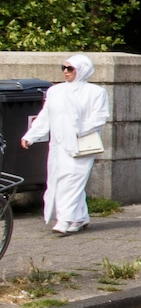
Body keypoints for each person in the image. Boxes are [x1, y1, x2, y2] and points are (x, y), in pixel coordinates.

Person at [20, 56, 110, 237]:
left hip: (81, 145)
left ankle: (65, 219)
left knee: (72, 180)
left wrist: (77, 130)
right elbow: (45, 115)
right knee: (59, 179)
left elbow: (99, 117)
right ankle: (80, 217)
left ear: (82, 70)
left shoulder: (95, 92)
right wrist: (31, 136)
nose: (66, 71)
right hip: (59, 145)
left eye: (71, 68)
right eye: (64, 68)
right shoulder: (56, 91)